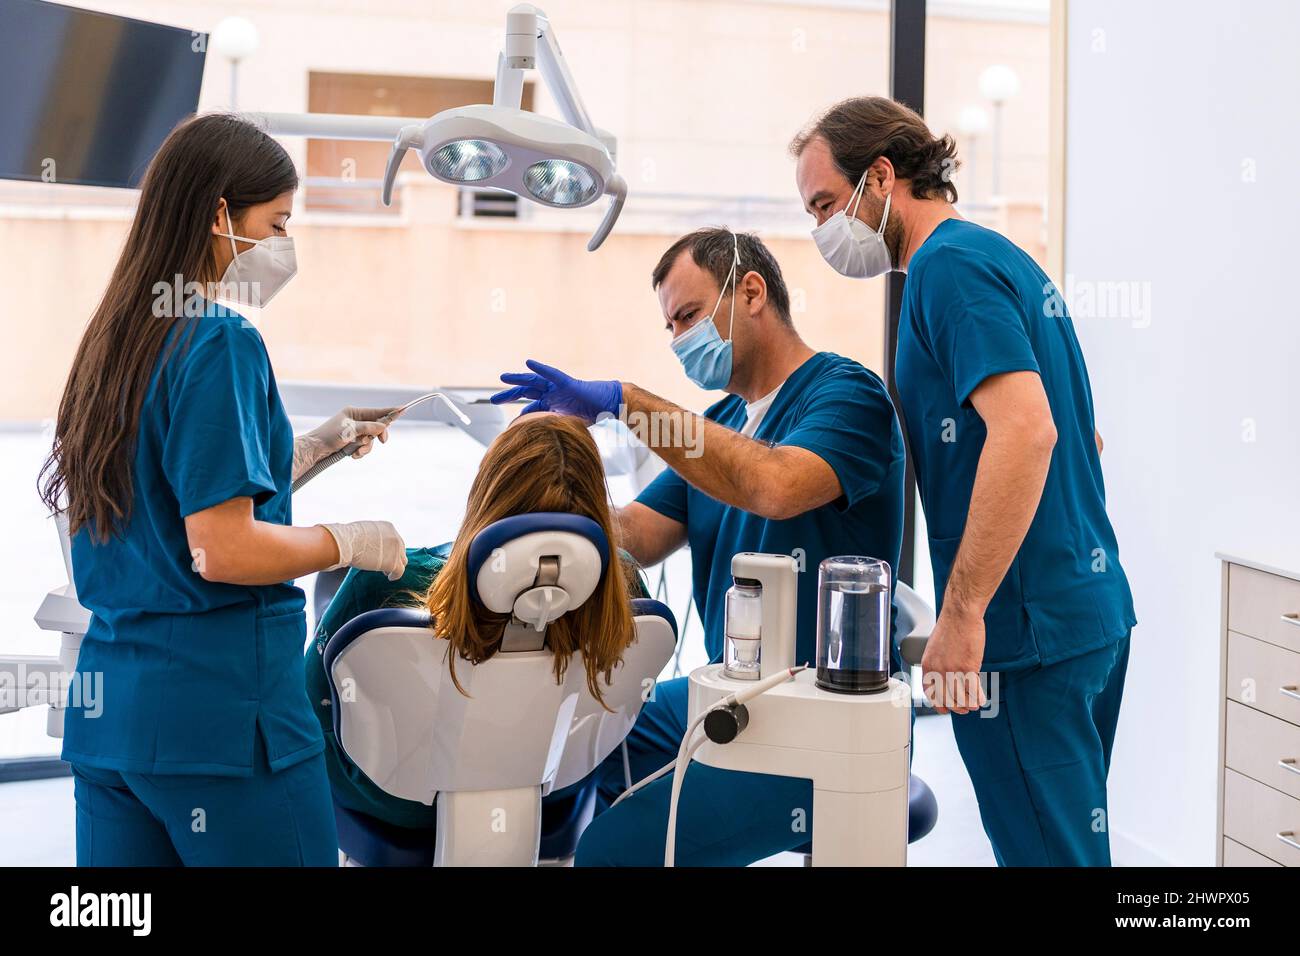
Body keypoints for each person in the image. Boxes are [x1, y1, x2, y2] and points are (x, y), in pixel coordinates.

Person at [38, 114, 409, 866]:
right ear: (218, 214)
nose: (283, 246)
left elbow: (167, 502)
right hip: (223, 726)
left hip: (115, 723)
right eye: (275, 224)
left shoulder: (117, 337)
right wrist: (353, 541)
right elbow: (222, 548)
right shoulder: (220, 338)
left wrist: (319, 447)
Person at [790, 96, 1137, 865]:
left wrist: (965, 611)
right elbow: (1083, 436)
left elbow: (1027, 430)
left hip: (1024, 639)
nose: (819, 230)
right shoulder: (1001, 257)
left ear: (879, 177)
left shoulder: (945, 272)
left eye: (823, 204)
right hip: (1086, 616)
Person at [492, 228, 907, 866]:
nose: (681, 340)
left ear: (751, 291)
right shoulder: (721, 425)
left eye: (688, 315)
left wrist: (627, 402)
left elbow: (774, 486)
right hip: (727, 695)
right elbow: (635, 534)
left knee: (609, 853)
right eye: (670, 327)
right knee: (577, 752)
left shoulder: (847, 395)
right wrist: (541, 495)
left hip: (815, 719)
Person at [304, 411, 649, 830]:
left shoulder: (387, 581)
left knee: (332, 595)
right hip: (552, 788)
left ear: (488, 490)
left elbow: (313, 705)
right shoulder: (626, 588)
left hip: (390, 801)